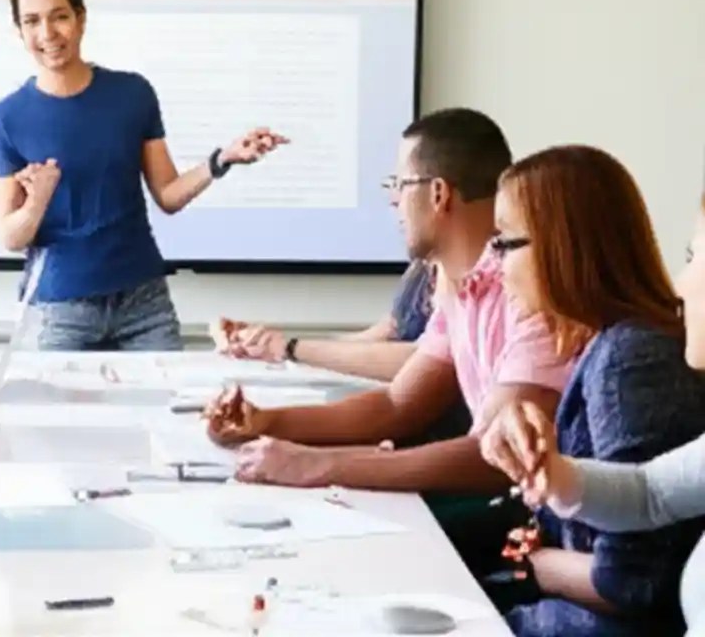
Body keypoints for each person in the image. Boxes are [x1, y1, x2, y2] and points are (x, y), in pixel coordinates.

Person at [204, 107, 573, 496]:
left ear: (438, 193)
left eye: (399, 183)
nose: (393, 200)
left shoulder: (529, 294)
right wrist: (264, 422)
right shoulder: (461, 286)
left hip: (525, 511)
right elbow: (397, 406)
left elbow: (496, 459)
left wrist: (317, 464)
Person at [0, 0, 285, 351]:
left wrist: (222, 159)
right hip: (59, 308)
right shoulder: (6, 118)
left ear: (80, 19)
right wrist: (37, 202)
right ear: (19, 31)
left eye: (59, 17)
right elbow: (10, 236)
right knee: (56, 412)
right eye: (32, 22)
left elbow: (168, 195)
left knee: (169, 408)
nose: (47, 33)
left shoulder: (132, 93)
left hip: (144, 303)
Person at [476, 146, 705, 636]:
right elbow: (649, 492)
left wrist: (536, 564)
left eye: (504, 243)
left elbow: (632, 581)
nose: (681, 283)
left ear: (564, 246)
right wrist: (551, 473)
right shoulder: (611, 345)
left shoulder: (632, 358)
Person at [212, 258, 436, 382]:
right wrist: (275, 342)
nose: (394, 200)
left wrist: (291, 347)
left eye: (402, 184)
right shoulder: (423, 267)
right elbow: (385, 334)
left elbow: (426, 359)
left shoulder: (459, 272)